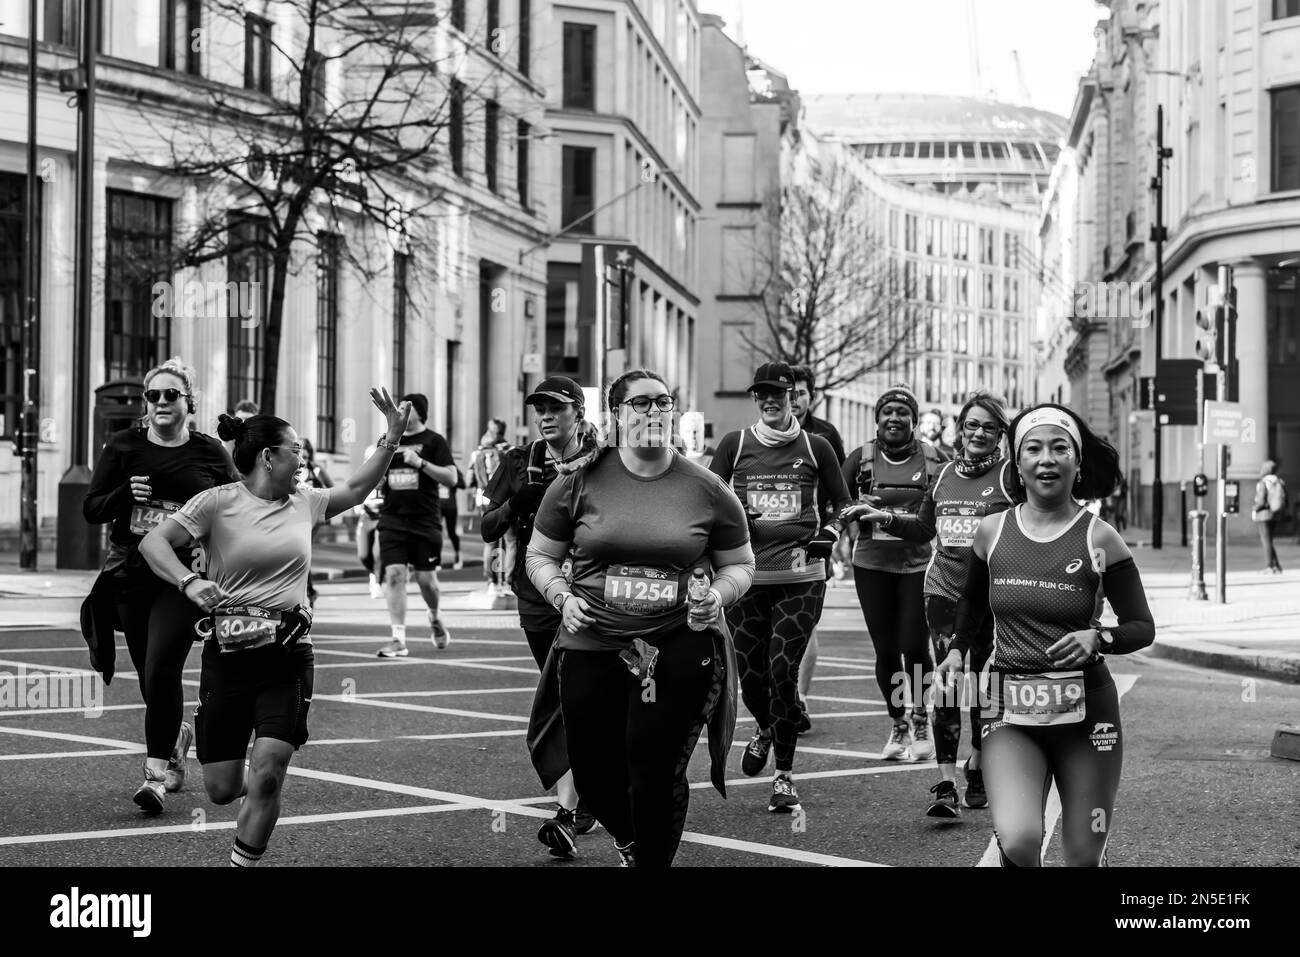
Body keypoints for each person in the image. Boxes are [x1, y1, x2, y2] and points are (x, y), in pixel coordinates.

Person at [140, 388, 411, 866]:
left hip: (288, 655)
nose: (303, 460)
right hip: (227, 658)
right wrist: (188, 582)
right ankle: (193, 749)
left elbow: (356, 490)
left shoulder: (305, 501)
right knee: (222, 789)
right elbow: (155, 545)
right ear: (268, 456)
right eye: (296, 451)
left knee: (268, 771)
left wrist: (389, 437)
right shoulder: (217, 503)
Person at [525, 369, 755, 867]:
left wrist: (717, 595)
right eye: (641, 403)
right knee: (592, 770)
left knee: (655, 766)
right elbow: (539, 556)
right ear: (616, 414)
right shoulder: (579, 481)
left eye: (663, 402)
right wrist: (562, 596)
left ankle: (652, 861)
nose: (654, 412)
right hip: (594, 643)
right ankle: (631, 841)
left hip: (675, 644)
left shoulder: (707, 489)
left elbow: (740, 564)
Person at [937, 403, 1155, 866]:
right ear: (1018, 465)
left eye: (1060, 448)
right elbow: (972, 602)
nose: (1047, 459)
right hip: (1009, 707)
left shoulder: (1100, 538)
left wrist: (1100, 638)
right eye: (1033, 449)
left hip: (1088, 715)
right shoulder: (991, 532)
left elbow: (1142, 626)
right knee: (1018, 840)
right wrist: (957, 650)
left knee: (1081, 854)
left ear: (1077, 463)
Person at [82, 358, 239, 814]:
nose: (162, 402)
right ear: (146, 404)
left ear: (188, 402)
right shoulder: (122, 447)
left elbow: (236, 506)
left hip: (182, 581)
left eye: (172, 395)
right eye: (154, 396)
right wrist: (125, 495)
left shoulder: (210, 452)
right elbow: (92, 509)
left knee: (161, 668)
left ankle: (154, 778)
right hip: (132, 577)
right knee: (153, 679)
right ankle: (177, 739)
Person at [709, 362, 848, 812]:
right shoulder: (735, 445)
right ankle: (766, 727)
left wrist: (830, 530)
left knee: (783, 673)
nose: (771, 401)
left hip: (801, 576)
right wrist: (729, 526)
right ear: (755, 399)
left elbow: (844, 506)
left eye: (780, 394)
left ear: (794, 398)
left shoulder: (817, 447)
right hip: (747, 578)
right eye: (762, 394)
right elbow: (708, 503)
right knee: (751, 682)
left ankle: (784, 776)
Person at [482, 378, 600, 856]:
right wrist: (516, 504)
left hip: (594, 600)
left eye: (556, 408)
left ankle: (575, 807)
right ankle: (573, 808)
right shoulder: (516, 461)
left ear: (578, 412)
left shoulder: (606, 461)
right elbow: (487, 528)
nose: (546, 416)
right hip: (537, 601)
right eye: (539, 408)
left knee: (585, 702)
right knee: (565, 700)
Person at [884, 391, 1014, 818]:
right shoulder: (942, 475)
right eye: (972, 424)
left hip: (990, 600)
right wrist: (883, 518)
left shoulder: (1011, 477)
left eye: (988, 427)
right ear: (961, 428)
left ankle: (978, 762)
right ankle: (945, 782)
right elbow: (924, 528)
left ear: (999, 434)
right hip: (942, 593)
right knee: (946, 685)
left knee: (985, 687)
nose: (978, 432)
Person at [840, 385, 946, 762]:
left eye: (903, 412)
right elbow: (835, 503)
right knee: (885, 650)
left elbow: (950, 508)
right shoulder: (861, 460)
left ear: (914, 421)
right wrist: (853, 506)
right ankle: (897, 723)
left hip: (917, 566)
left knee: (914, 647)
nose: (895, 418)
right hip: (871, 565)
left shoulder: (935, 460)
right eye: (888, 412)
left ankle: (920, 718)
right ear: (877, 419)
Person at [374, 393, 460, 657]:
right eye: (397, 409)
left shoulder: (434, 441)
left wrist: (420, 463)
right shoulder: (388, 440)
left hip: (425, 520)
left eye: (405, 409)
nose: (399, 413)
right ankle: (398, 638)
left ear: (419, 412)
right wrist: (377, 480)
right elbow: (375, 476)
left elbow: (452, 478)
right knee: (394, 575)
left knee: (426, 581)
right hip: (392, 519)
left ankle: (434, 617)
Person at [789, 364, 848, 734]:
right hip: (766, 544)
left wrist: (832, 530)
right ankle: (781, 697)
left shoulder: (825, 436)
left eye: (800, 393)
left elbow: (840, 491)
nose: (792, 400)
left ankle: (800, 700)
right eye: (786, 393)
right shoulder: (757, 435)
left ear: (812, 396)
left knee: (806, 623)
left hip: (811, 540)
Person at [467, 419, 512, 591]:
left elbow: (469, 479)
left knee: (490, 541)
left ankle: (492, 582)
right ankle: (508, 583)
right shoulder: (509, 450)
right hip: (505, 499)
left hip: (484, 500)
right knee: (511, 541)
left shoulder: (476, 453)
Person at [297, 439, 334, 610]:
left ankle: (307, 592)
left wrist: (322, 504)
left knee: (302, 552)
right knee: (301, 554)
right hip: (295, 515)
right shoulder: (292, 470)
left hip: (313, 517)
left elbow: (332, 489)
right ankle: (308, 591)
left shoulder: (316, 470)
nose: (302, 455)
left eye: (305, 452)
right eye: (299, 451)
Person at [1253, 460, 1286, 574]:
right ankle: (1276, 565)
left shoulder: (1263, 482)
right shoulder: (1279, 481)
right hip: (1275, 514)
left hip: (1263, 515)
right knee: (1269, 540)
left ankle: (1269, 566)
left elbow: (1261, 501)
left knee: (1266, 541)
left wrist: (1254, 509)